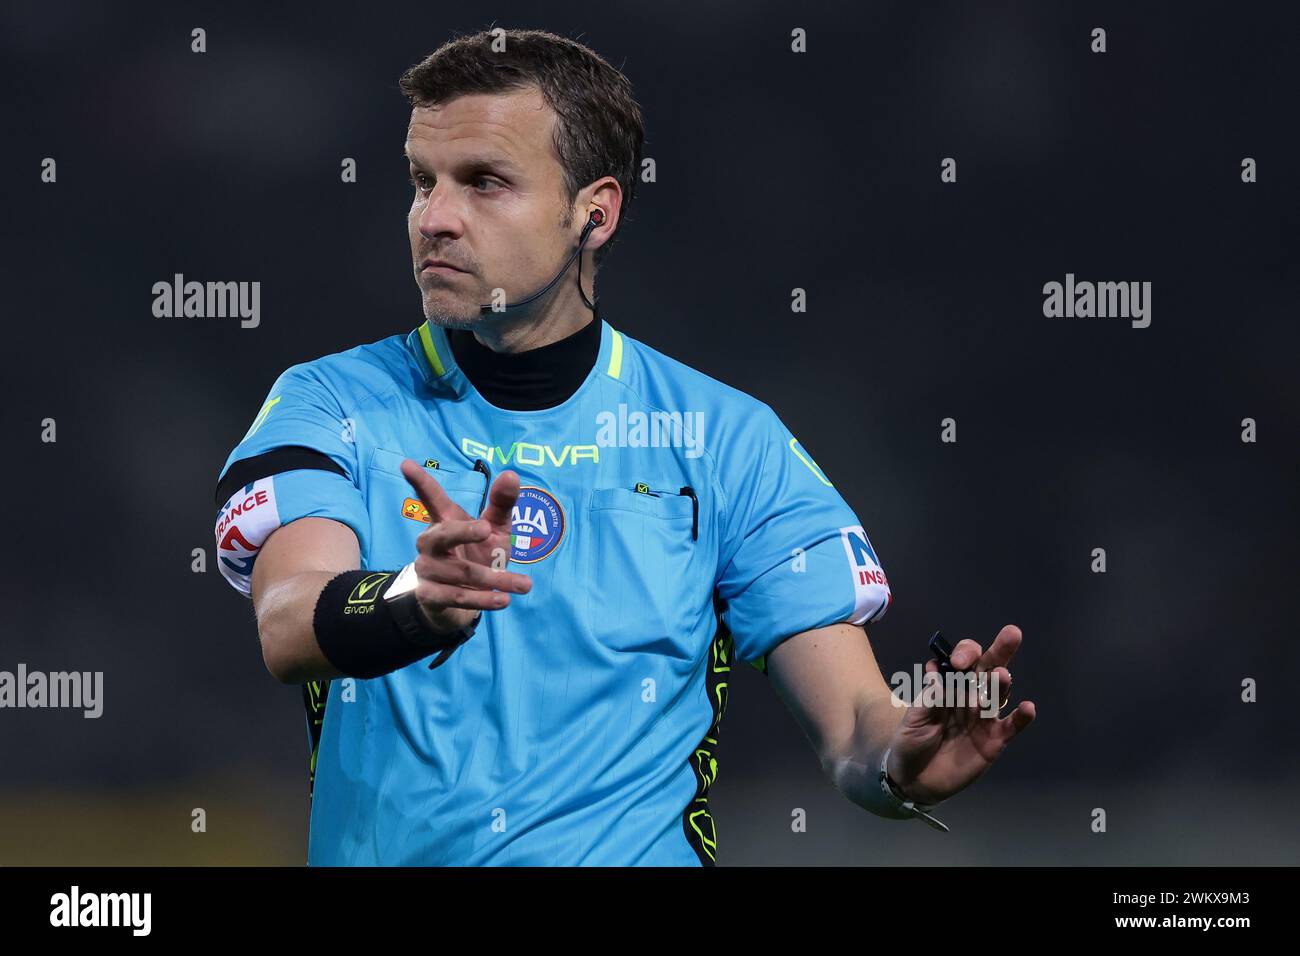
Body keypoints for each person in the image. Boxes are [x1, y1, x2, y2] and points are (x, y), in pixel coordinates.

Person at [213, 28, 1035, 865]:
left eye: (484, 183)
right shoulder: (328, 403)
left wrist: (902, 763)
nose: (436, 219)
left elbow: (857, 727)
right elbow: (287, 623)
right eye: (423, 182)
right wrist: (412, 598)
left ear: (592, 213)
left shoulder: (726, 441)